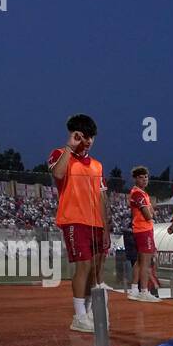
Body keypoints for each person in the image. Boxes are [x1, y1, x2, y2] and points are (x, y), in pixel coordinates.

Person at [48, 114, 111, 333]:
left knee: (95, 268)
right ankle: (79, 316)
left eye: (92, 136)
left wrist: (106, 228)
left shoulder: (97, 166)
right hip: (74, 219)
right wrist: (69, 146)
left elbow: (102, 199)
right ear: (76, 135)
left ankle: (90, 312)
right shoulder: (60, 154)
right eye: (84, 136)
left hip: (96, 223)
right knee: (83, 266)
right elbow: (57, 173)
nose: (89, 141)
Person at [127, 166, 161, 302]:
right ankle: (144, 291)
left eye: (146, 177)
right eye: (141, 177)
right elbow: (149, 214)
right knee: (146, 262)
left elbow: (152, 211)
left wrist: (151, 212)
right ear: (135, 179)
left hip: (141, 229)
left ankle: (134, 289)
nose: (144, 179)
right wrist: (151, 213)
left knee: (140, 261)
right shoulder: (138, 194)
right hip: (143, 229)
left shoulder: (142, 193)